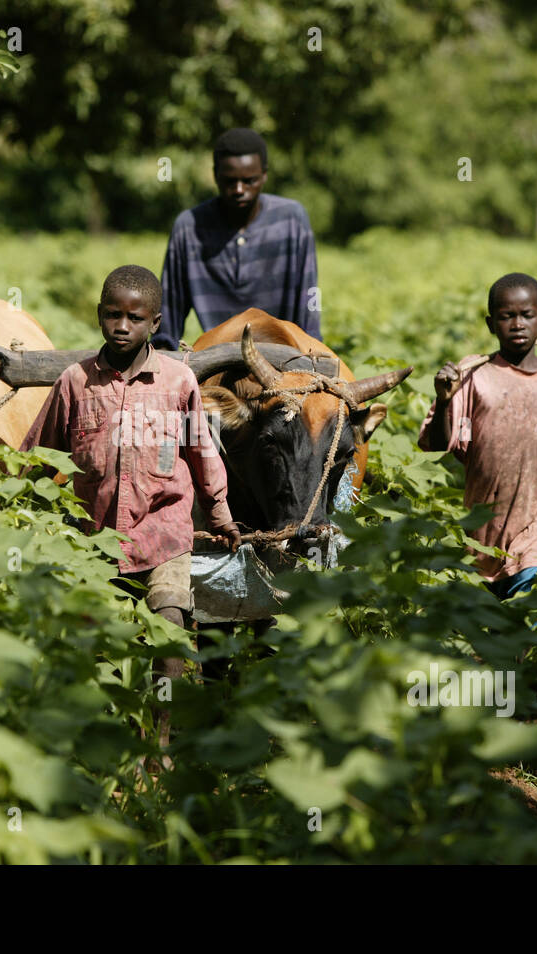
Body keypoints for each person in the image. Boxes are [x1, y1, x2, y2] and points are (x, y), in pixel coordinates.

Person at [22, 265, 242, 756]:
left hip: (162, 532)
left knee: (168, 627)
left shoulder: (178, 382)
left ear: (156, 323)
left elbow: (203, 456)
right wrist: (5, 500)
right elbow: (38, 454)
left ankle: (160, 739)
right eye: (112, 315)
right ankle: (99, 740)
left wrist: (221, 514)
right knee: (92, 637)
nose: (122, 326)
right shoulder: (75, 383)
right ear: (99, 315)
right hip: (92, 537)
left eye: (134, 318)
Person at [417, 273, 537, 601]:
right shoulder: (474, 375)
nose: (517, 324)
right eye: (507, 317)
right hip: (482, 530)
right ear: (491, 324)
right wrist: (445, 399)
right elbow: (439, 446)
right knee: (488, 635)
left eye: (527, 315)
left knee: (528, 615)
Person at [154, 128, 321, 351]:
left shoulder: (291, 221)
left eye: (249, 180)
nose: (239, 189)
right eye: (230, 181)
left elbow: (309, 299)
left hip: (284, 355)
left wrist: (313, 353)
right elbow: (169, 310)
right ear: (215, 175)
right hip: (214, 358)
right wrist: (163, 360)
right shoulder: (189, 227)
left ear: (264, 175)